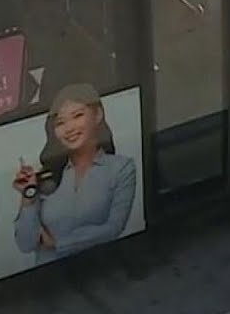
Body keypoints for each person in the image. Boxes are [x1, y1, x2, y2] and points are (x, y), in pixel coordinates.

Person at [13, 84, 137, 264]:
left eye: (77, 116)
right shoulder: (47, 176)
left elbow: (114, 228)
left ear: (98, 114)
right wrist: (28, 197)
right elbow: (25, 244)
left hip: (102, 269)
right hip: (49, 274)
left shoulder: (121, 168)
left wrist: (58, 243)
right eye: (60, 123)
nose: (69, 128)